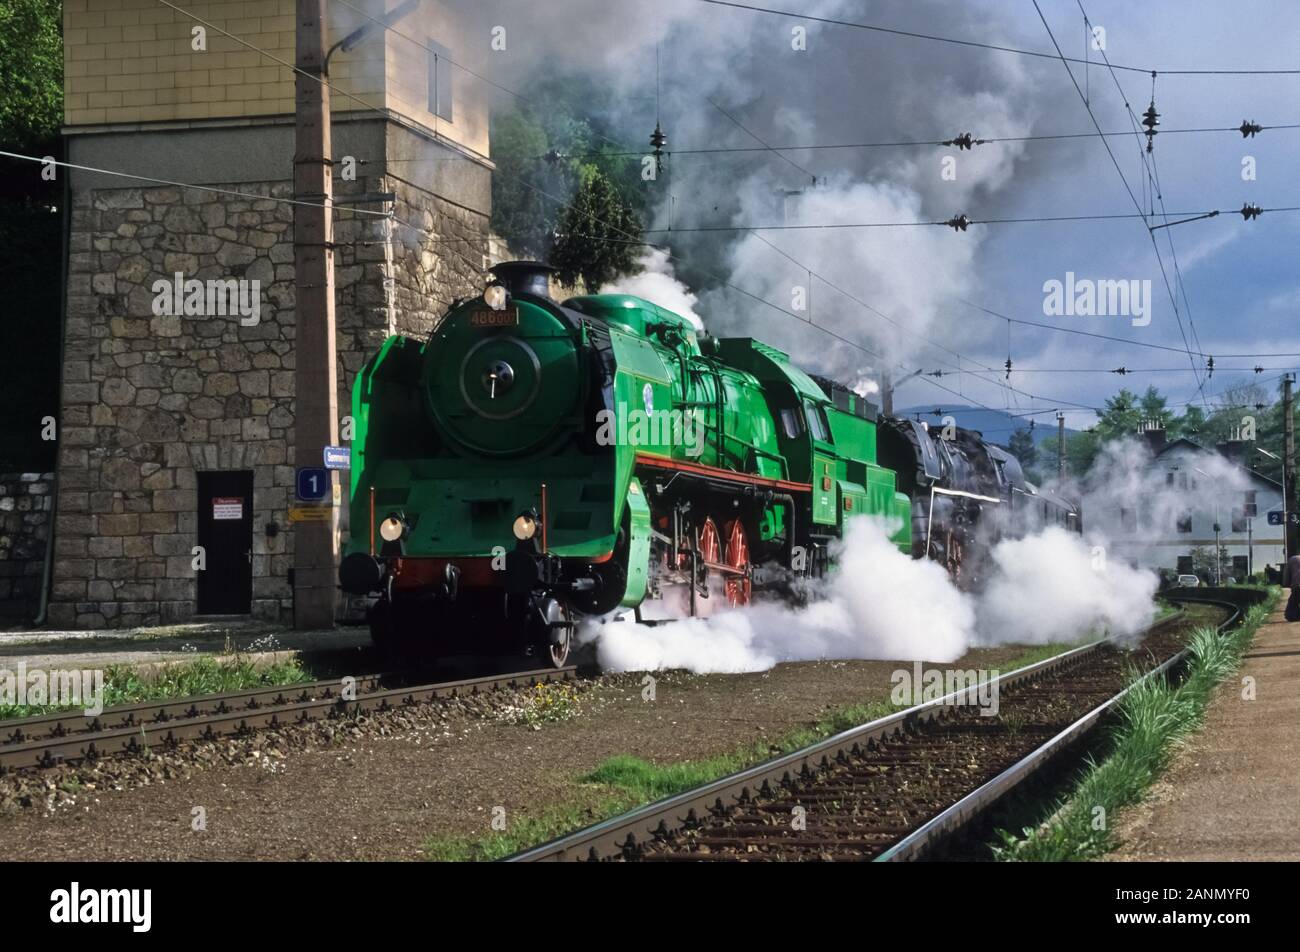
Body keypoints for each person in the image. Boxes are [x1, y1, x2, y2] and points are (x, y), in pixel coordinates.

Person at [1285, 554, 1300, 622]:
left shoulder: (1292, 559)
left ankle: (1294, 616)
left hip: (1297, 586)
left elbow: (1286, 574)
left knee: (1291, 607)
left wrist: (1286, 584)